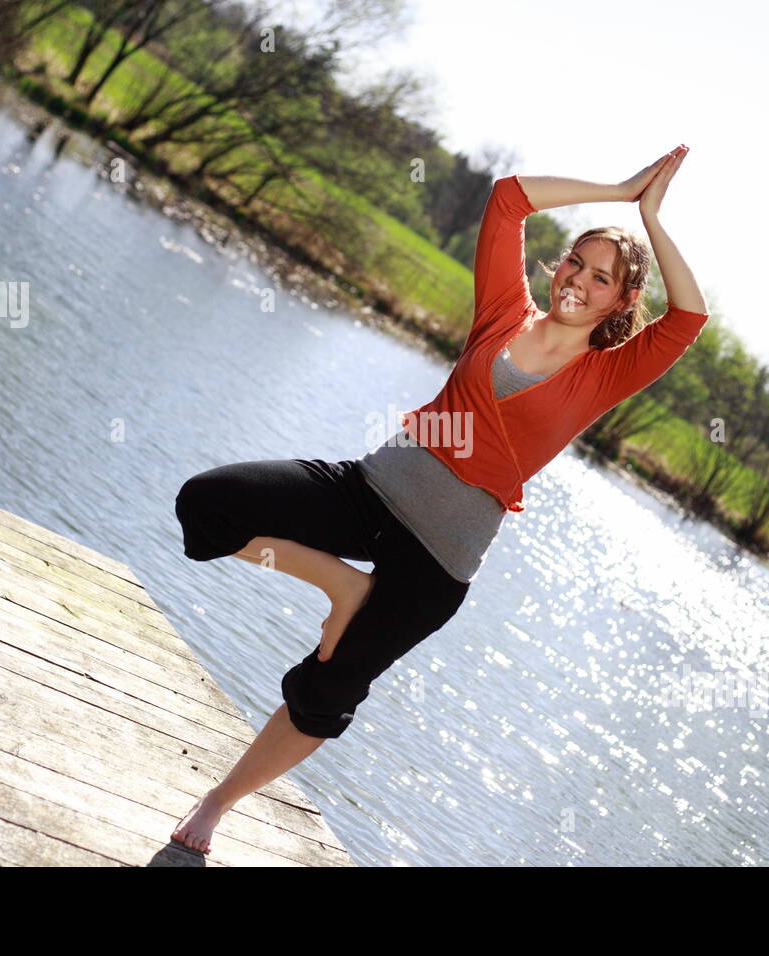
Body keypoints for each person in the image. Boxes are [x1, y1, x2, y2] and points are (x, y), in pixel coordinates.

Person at [171, 144, 710, 854]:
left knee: (327, 692)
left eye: (601, 277)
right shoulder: (504, 314)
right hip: (369, 491)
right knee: (209, 503)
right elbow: (509, 197)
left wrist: (649, 217)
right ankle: (340, 584)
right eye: (575, 260)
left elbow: (691, 316)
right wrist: (615, 187)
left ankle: (216, 805)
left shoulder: (609, 374)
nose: (578, 279)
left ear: (621, 300)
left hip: (437, 561)